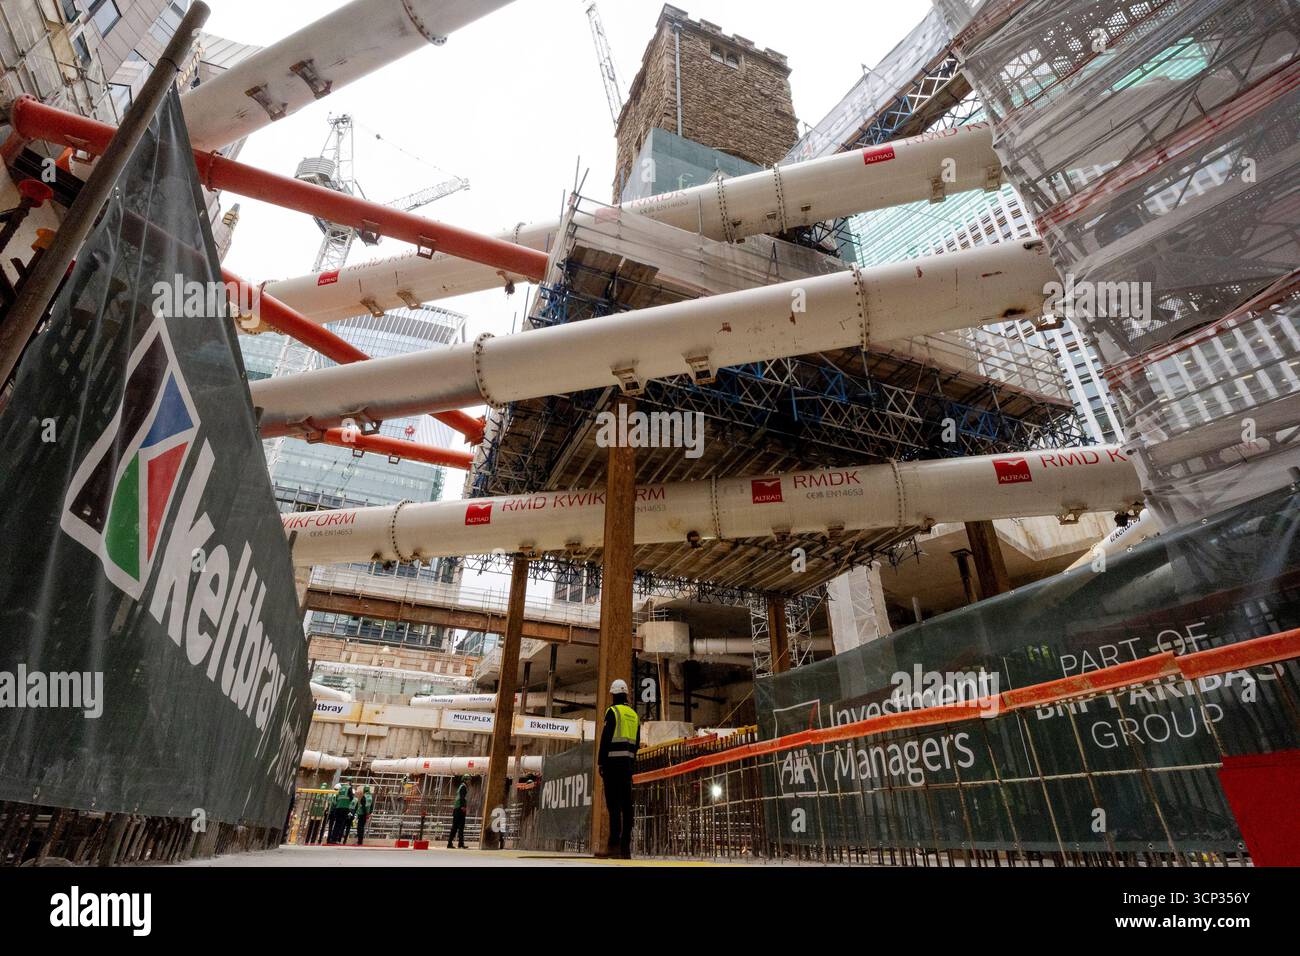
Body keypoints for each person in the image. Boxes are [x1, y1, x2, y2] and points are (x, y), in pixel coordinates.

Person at [598, 677, 641, 859]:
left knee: (614, 807)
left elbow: (606, 739)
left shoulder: (612, 712)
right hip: (627, 767)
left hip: (612, 767)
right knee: (627, 807)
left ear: (613, 695)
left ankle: (613, 845)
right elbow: (636, 744)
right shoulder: (634, 715)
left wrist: (601, 762)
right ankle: (625, 848)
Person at [447, 774, 470, 849]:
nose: (469, 781)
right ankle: (459, 844)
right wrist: (463, 807)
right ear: (465, 780)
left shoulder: (461, 786)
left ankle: (451, 843)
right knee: (460, 827)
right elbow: (462, 798)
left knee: (455, 827)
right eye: (468, 779)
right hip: (460, 809)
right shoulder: (463, 787)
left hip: (457, 809)